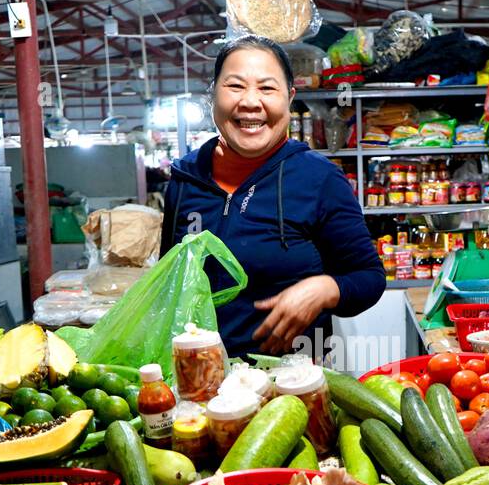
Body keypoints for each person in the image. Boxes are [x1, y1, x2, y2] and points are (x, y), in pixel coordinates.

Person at [160, 36, 385, 359]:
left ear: (289, 98)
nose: (251, 102)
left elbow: (369, 279)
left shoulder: (319, 179)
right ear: (212, 95)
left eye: (267, 88)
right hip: (198, 381)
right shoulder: (184, 179)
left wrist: (325, 289)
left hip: (292, 384)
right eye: (235, 86)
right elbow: (168, 279)